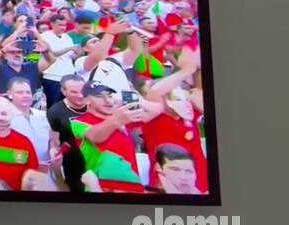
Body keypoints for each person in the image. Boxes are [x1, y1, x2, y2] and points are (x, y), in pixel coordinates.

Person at [68, 81, 161, 194]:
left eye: (110, 95)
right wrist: (117, 119)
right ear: (87, 100)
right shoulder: (77, 123)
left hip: (133, 188)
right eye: (100, 97)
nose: (107, 100)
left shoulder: (123, 118)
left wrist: (137, 99)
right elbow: (95, 136)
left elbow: (157, 110)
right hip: (101, 188)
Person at [140, 49, 207, 193]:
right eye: (177, 98)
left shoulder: (189, 115)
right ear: (165, 100)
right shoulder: (155, 117)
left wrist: (196, 65)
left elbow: (200, 90)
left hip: (199, 177)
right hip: (168, 177)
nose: (184, 101)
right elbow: (156, 92)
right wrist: (186, 70)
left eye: (184, 96)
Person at [7, 77, 51, 167]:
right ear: (9, 94)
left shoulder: (43, 116)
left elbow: (51, 141)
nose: (25, 95)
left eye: (28, 92)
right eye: (20, 92)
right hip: (19, 167)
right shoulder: (5, 118)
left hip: (46, 167)